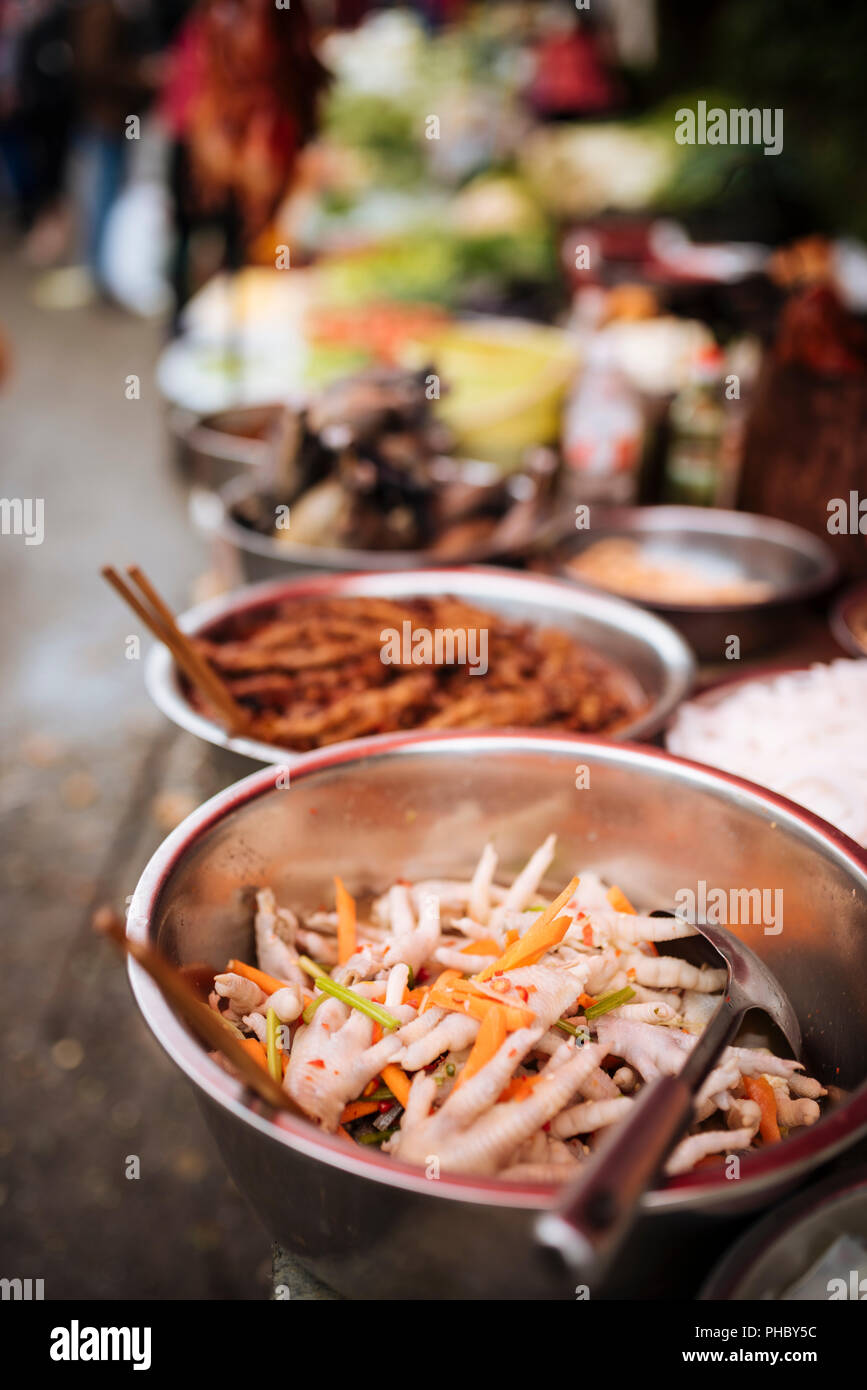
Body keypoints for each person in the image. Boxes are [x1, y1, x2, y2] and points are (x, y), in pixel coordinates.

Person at [161, 0, 329, 325]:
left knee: (246, 248)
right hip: (206, 139)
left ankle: (233, 322)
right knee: (198, 240)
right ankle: (189, 322)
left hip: (243, 141)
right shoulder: (221, 20)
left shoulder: (274, 19)